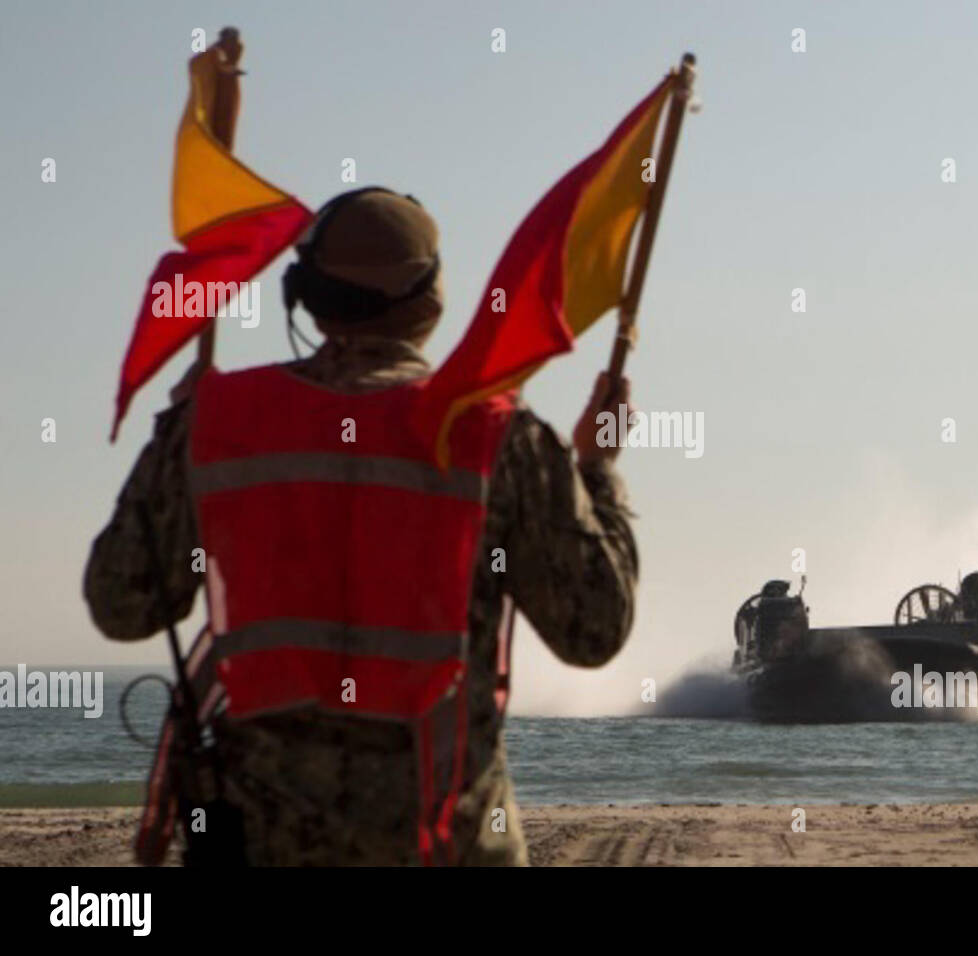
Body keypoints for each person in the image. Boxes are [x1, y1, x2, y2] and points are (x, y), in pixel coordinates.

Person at [84, 187, 638, 865]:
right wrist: (596, 470)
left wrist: (184, 442)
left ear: (307, 299)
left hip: (261, 846)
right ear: (430, 305)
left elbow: (124, 605)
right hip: (444, 845)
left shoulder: (216, 422)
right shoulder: (498, 438)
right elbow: (592, 629)